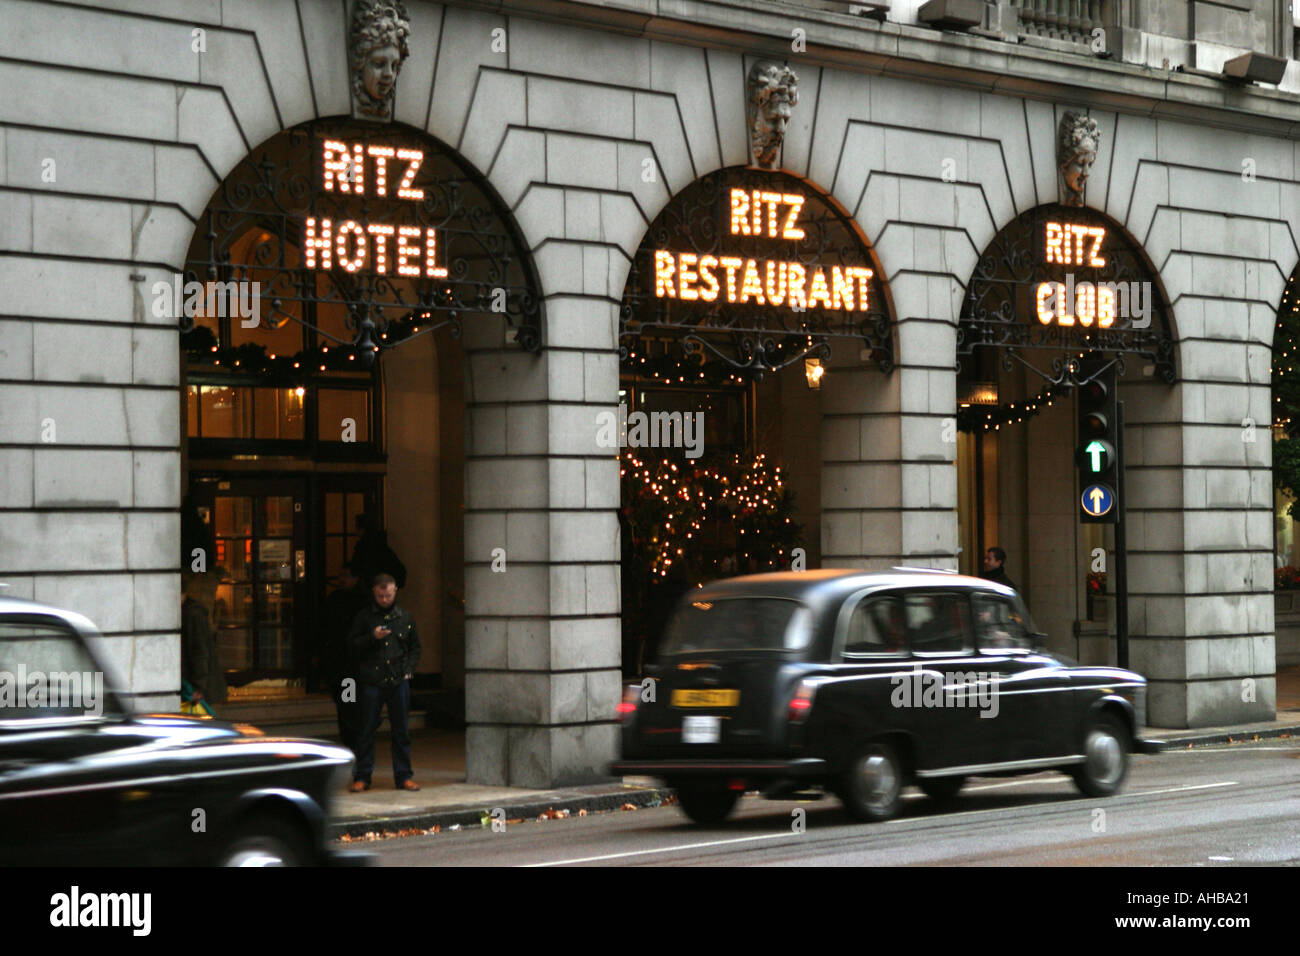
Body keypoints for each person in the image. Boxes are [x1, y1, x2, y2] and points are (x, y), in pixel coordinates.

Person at [347, 573, 421, 792]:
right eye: (380, 595)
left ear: (395, 591)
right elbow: (351, 645)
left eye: (388, 595)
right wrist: (372, 637)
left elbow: (415, 647)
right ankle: (362, 776)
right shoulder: (364, 616)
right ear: (374, 593)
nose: (384, 599)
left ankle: (404, 775)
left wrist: (409, 669)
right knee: (366, 729)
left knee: (401, 730)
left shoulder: (405, 617)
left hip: (398, 678)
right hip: (372, 679)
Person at [320, 566, 369, 752]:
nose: (342, 580)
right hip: (342, 661)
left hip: (350, 664)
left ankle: (354, 739)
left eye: (346, 576)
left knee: (349, 704)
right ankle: (353, 739)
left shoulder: (358, 602)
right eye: (341, 576)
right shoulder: (339, 600)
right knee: (347, 703)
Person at [180, 572, 227, 710]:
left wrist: (198, 687)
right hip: (199, 687)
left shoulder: (192, 614)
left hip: (200, 691)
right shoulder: (191, 612)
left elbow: (200, 652)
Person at [347, 512, 407, 589]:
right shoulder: (380, 544)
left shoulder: (366, 547)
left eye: (354, 526)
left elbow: (357, 569)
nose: (353, 530)